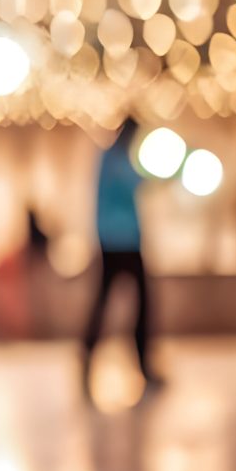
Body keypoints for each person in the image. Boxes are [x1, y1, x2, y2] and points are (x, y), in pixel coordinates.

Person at [82, 116, 160, 395]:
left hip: (123, 240)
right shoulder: (112, 159)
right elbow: (131, 184)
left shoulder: (116, 157)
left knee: (139, 306)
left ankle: (144, 366)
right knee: (112, 306)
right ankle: (87, 361)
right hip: (118, 242)